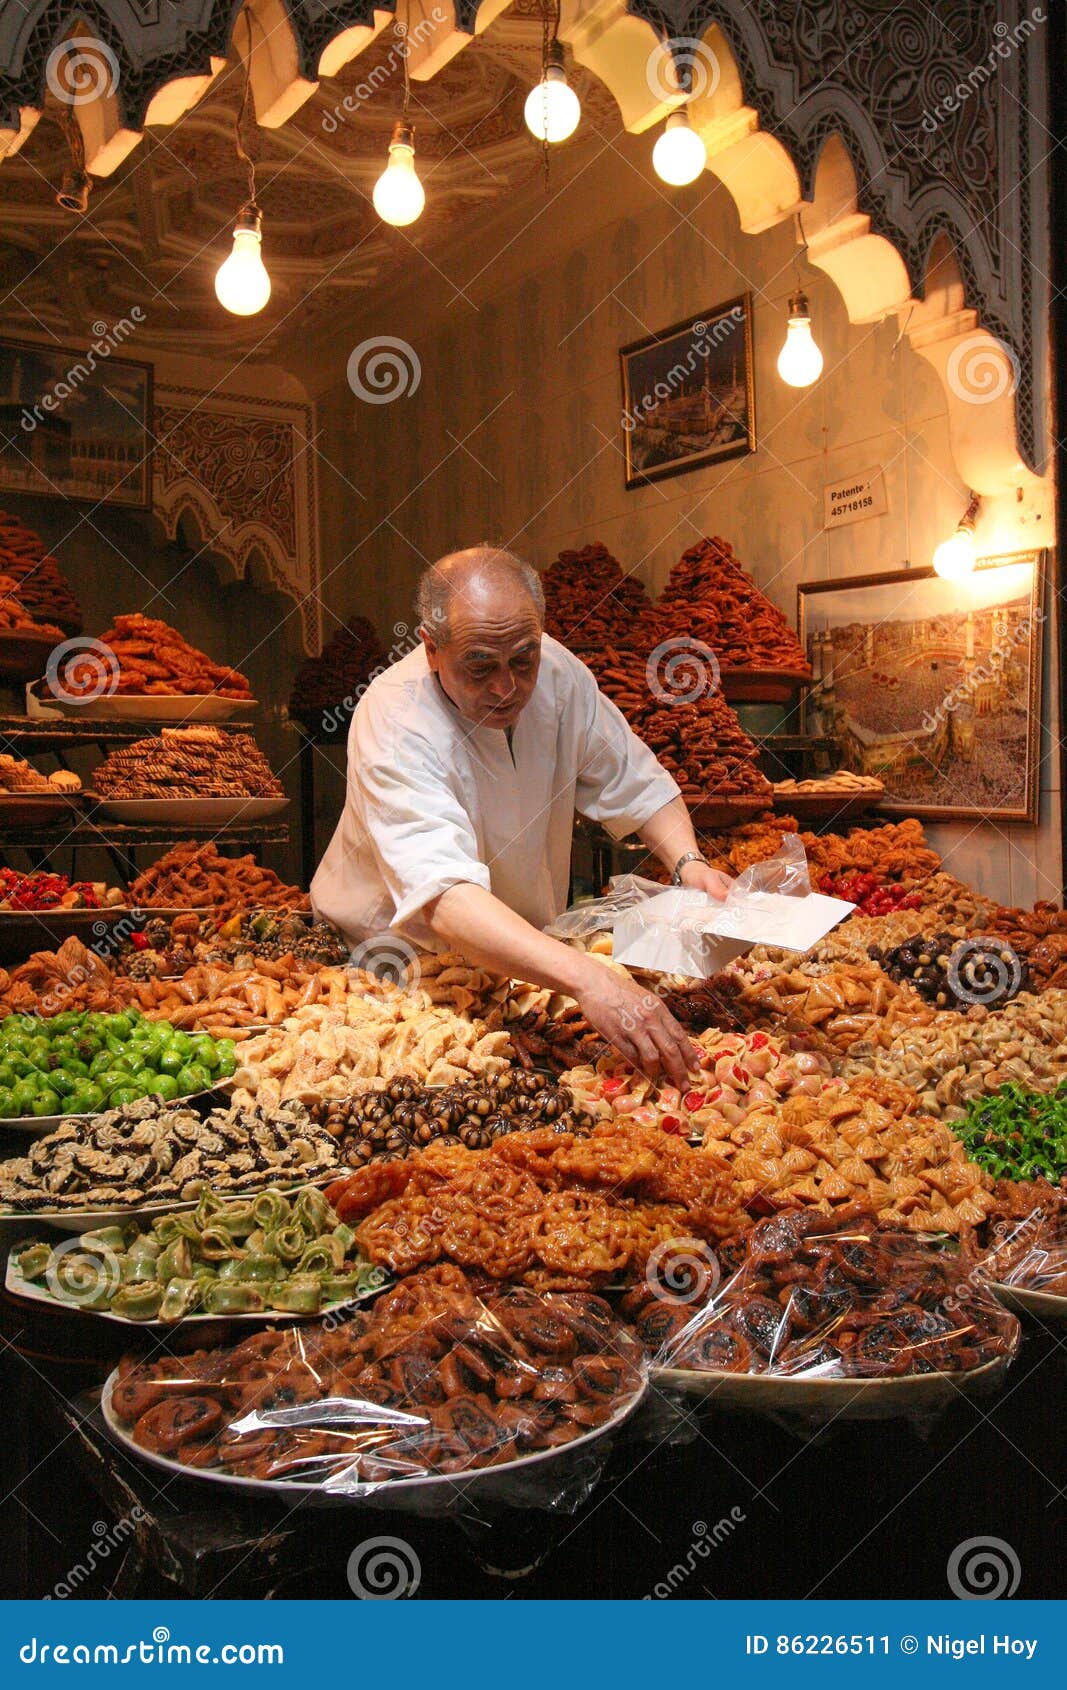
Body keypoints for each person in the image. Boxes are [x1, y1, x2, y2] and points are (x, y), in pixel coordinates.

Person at [311, 545, 733, 1087]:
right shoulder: (394, 717)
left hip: (526, 957)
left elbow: (636, 780)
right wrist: (589, 979)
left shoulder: (559, 673)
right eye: (480, 666)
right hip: (393, 956)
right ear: (431, 649)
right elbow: (442, 896)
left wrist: (688, 864)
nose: (506, 687)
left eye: (522, 660)